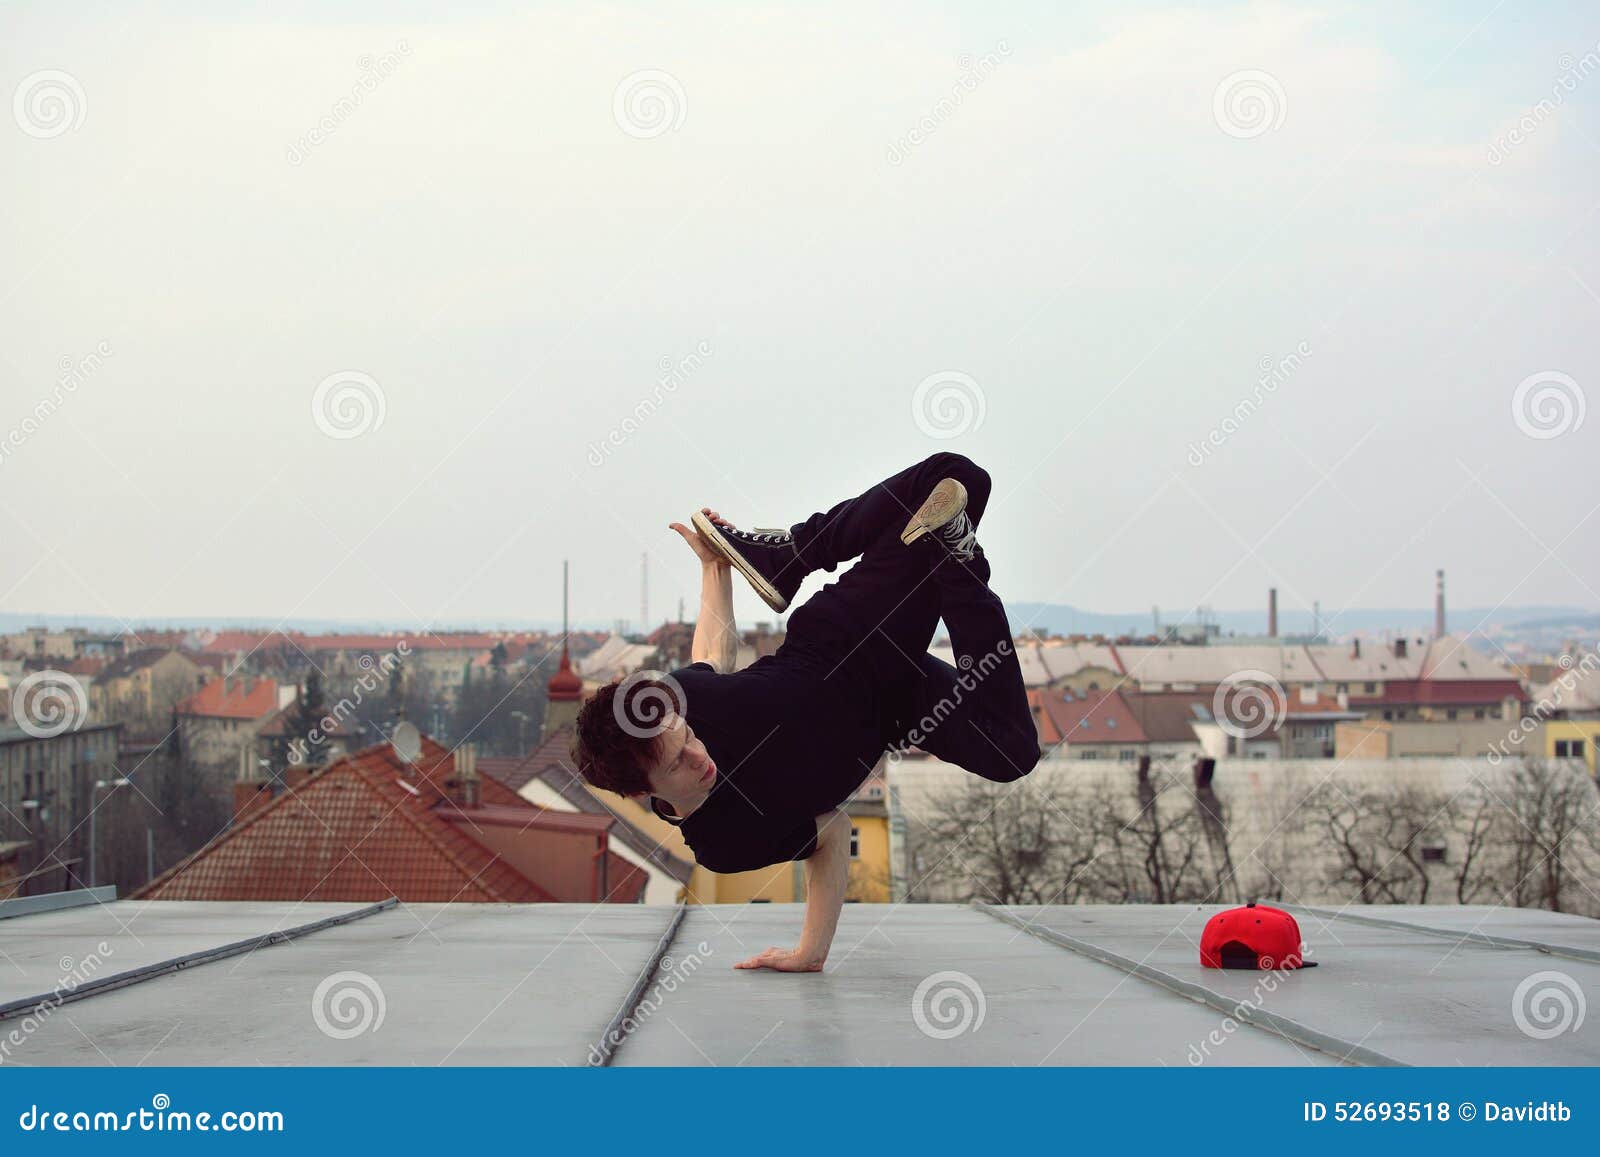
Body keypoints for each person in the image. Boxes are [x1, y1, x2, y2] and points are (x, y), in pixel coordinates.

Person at [570, 452, 1039, 972]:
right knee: (1011, 751)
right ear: (642, 791)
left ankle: (797, 553)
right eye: (677, 761)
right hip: (901, 704)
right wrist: (810, 954)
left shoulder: (676, 706)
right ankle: (957, 563)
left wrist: (712, 566)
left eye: (688, 738)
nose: (698, 753)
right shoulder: (725, 844)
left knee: (958, 478)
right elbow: (833, 834)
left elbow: (711, 653)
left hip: (850, 635)